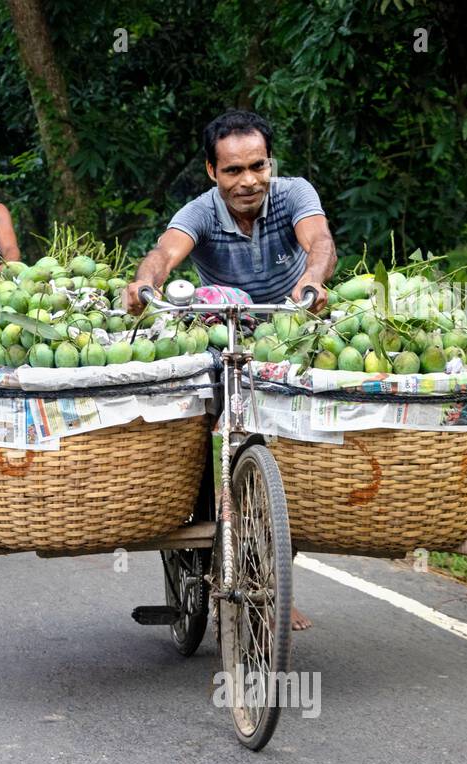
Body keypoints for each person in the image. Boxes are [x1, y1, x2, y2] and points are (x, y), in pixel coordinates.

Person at [125, 109, 337, 632]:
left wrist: (311, 280)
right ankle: (197, 530)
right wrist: (143, 285)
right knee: (199, 434)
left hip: (288, 328)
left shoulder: (294, 194)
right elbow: (163, 254)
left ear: (271, 163)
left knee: (288, 457)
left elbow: (321, 242)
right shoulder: (199, 211)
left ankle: (272, 581)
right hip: (224, 334)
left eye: (257, 167)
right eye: (233, 171)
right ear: (212, 173)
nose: (248, 181)